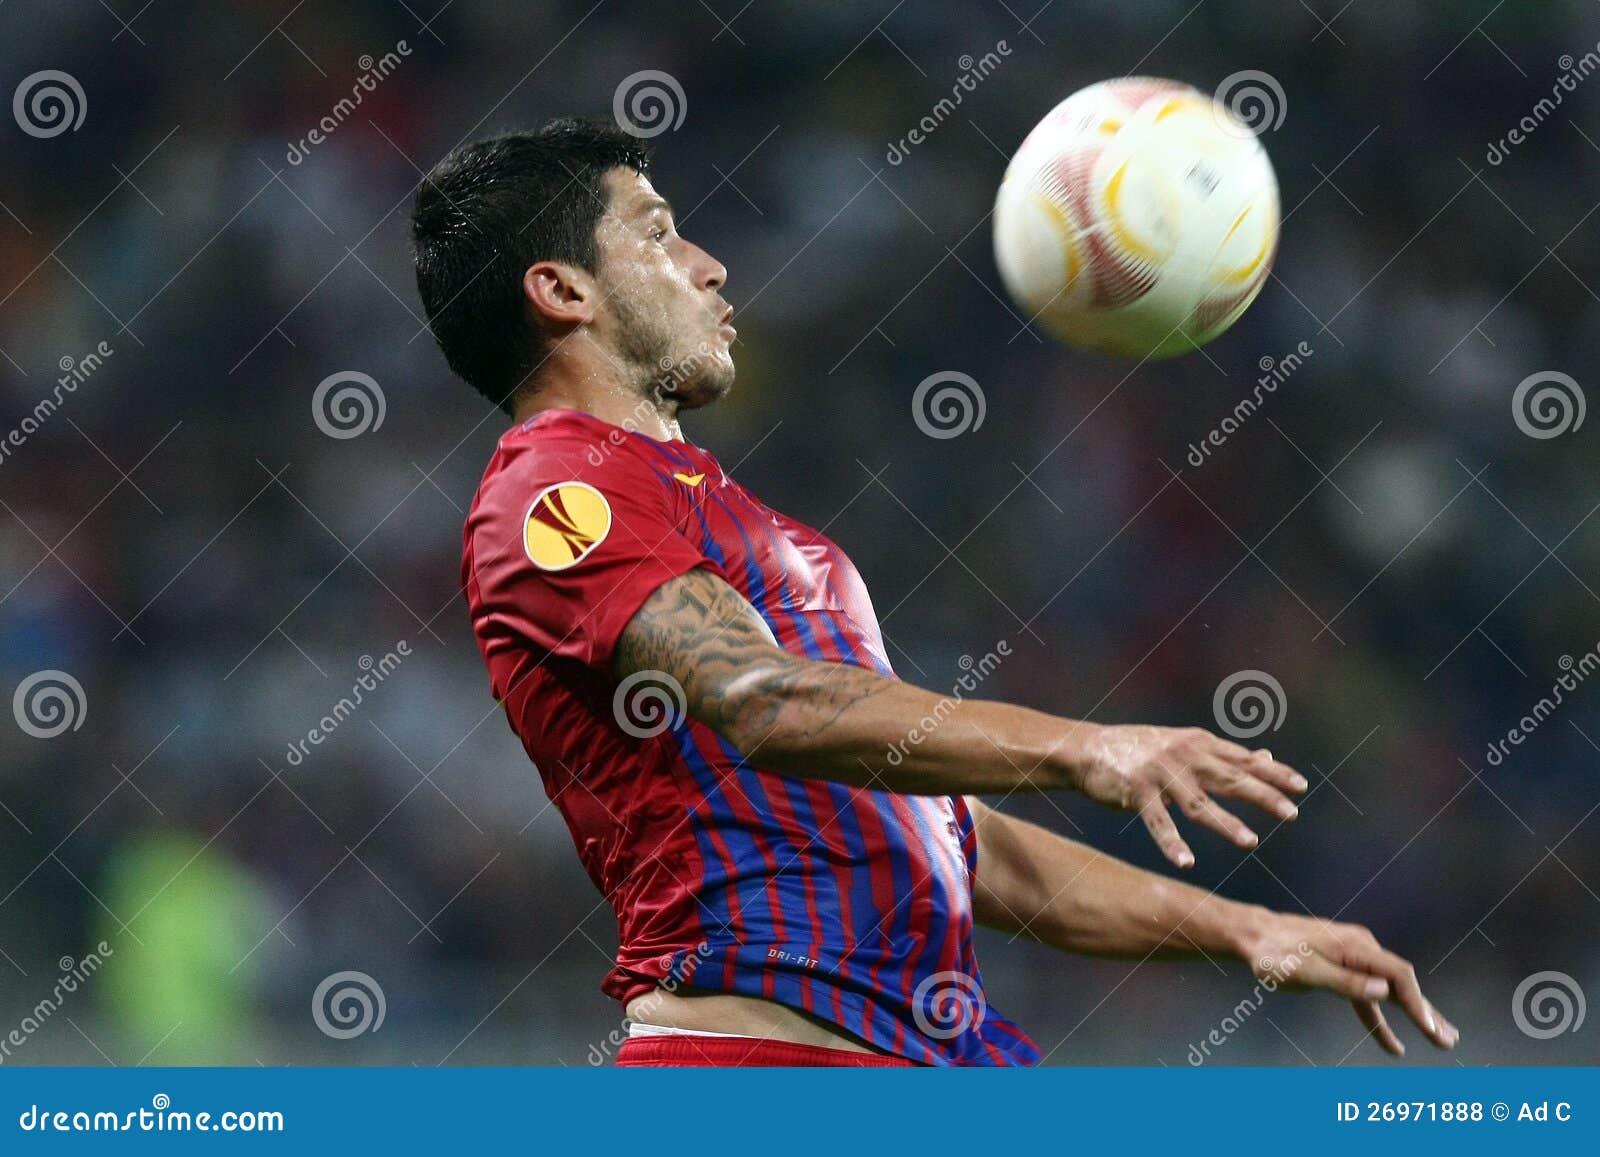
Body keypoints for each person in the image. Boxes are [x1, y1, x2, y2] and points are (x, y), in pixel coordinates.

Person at [412, 117, 1458, 1066]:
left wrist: (1243, 929)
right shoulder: (555, 490)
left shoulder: (733, 517)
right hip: (764, 1070)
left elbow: (952, 832)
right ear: (562, 290)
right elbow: (761, 699)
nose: (709, 264)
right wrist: (1086, 745)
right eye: (656, 233)